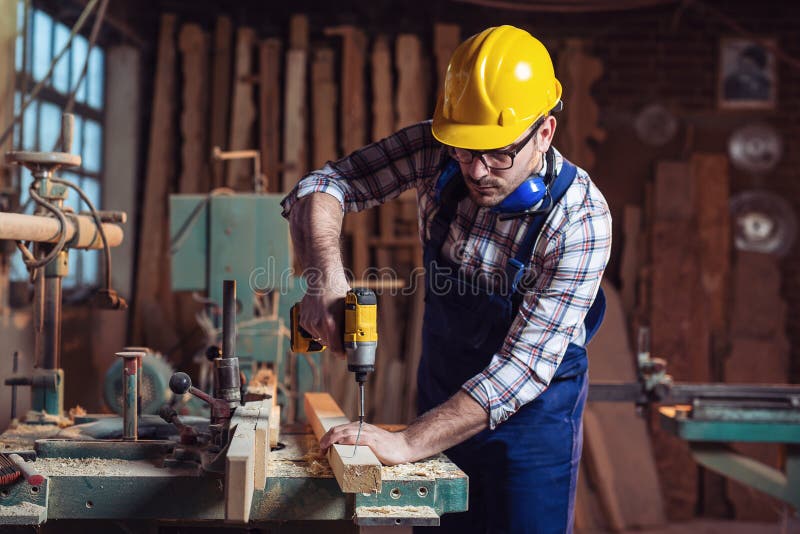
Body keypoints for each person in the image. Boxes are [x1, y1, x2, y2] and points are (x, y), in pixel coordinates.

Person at [281, 25, 612, 533]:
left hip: (530, 423)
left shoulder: (580, 220)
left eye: (498, 153)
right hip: (442, 390)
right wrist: (323, 278)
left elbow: (521, 370)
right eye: (464, 150)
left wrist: (410, 441)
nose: (477, 170)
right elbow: (323, 186)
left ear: (544, 132)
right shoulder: (438, 149)